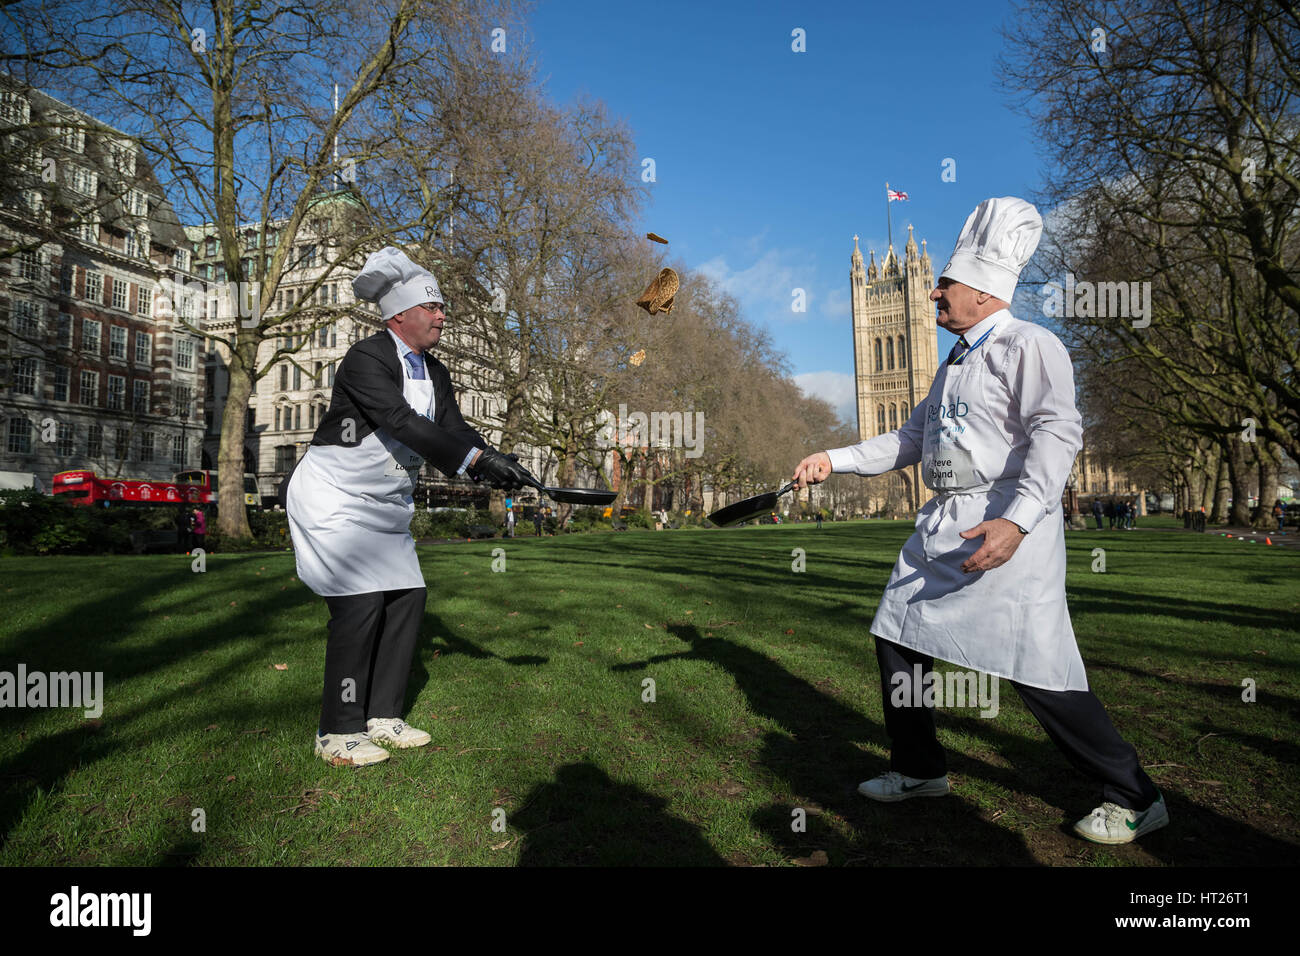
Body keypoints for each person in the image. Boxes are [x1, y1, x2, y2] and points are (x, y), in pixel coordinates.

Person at [792, 197, 1167, 845]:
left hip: (1004, 527)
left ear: (986, 294)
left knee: (1036, 669)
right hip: (943, 526)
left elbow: (1058, 434)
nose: (935, 293)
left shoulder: (1031, 344)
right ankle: (919, 769)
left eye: (947, 284)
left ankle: (1135, 792)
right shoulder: (956, 361)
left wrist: (1017, 522)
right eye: (936, 282)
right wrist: (835, 458)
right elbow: (908, 440)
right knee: (898, 633)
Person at [286, 246, 534, 767]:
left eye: (442, 308)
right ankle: (337, 731)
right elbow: (401, 421)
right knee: (359, 604)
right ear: (400, 314)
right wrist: (477, 461)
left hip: (383, 505)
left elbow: (451, 429)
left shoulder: (436, 371)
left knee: (406, 597)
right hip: (332, 497)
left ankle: (383, 716)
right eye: (434, 308)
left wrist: (491, 458)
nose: (443, 316)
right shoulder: (366, 358)